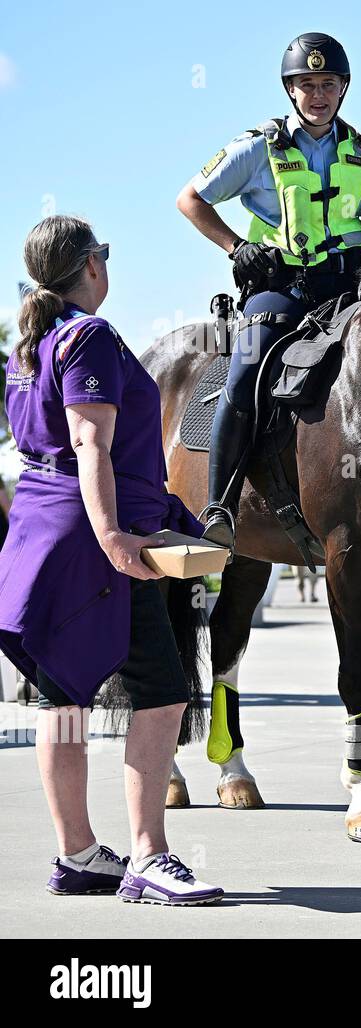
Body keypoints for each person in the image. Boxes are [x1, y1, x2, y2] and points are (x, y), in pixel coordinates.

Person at [0, 215, 223, 904]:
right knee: (160, 691)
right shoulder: (89, 336)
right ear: (92, 266)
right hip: (98, 543)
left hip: (39, 536)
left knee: (61, 699)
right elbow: (89, 444)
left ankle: (77, 853)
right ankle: (149, 856)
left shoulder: (29, 344)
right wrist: (115, 538)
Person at [177, 31, 361, 549]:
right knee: (245, 373)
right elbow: (190, 199)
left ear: (343, 88)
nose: (317, 94)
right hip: (280, 288)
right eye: (306, 84)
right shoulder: (258, 147)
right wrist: (236, 247)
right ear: (290, 90)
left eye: (327, 83)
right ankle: (221, 507)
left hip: (349, 289)